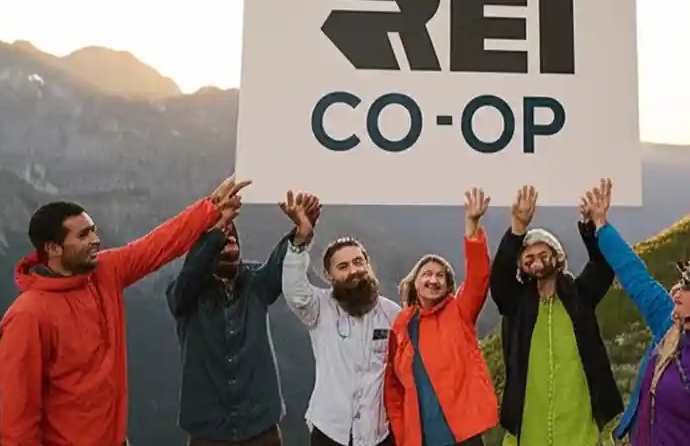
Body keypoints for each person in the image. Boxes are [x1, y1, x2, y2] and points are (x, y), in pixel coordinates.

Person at [0, 175, 252, 446]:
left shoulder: (105, 272)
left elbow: (156, 246)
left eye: (93, 229)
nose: (96, 240)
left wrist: (211, 209)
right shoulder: (27, 316)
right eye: (83, 235)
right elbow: (19, 416)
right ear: (53, 248)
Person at [581, 178, 690, 445]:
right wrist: (601, 226)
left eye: (688, 286)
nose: (676, 291)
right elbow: (634, 274)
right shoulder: (668, 323)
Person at [165, 191, 323, 446]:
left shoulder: (254, 283)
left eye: (232, 239)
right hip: (209, 432)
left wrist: (302, 233)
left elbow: (279, 264)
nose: (228, 241)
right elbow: (189, 277)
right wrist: (214, 234)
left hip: (260, 429)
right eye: (220, 240)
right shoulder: (185, 293)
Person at [489, 184, 623, 446]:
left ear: (557, 257)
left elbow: (603, 266)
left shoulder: (579, 295)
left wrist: (592, 226)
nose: (536, 261)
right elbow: (499, 280)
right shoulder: (517, 303)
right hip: (529, 428)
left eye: (543, 254)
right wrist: (517, 228)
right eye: (528, 256)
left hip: (579, 424)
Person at [280, 191, 403, 446]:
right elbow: (295, 291)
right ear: (329, 276)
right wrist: (301, 239)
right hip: (330, 431)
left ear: (368, 266)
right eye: (343, 267)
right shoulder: (320, 308)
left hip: (379, 433)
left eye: (358, 262)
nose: (354, 270)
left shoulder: (393, 315)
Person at [383, 187, 499, 446]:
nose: (433, 280)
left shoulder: (459, 311)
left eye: (440, 276)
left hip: (462, 435)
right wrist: (401, 432)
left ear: (448, 286)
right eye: (427, 274)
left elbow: (479, 277)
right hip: (419, 437)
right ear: (416, 282)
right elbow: (393, 388)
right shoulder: (402, 325)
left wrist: (472, 226)